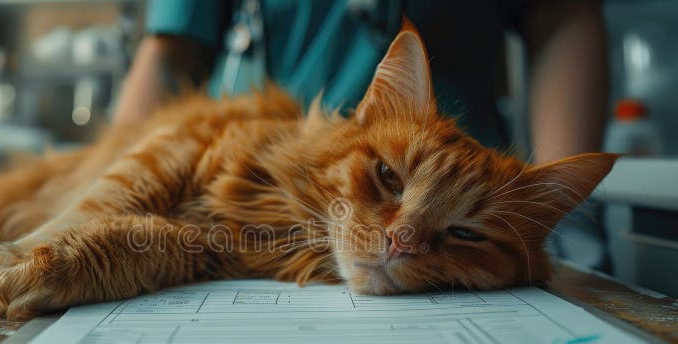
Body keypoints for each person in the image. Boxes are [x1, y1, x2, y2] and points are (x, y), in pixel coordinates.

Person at [114, 0, 610, 270]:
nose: (401, 241)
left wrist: (553, 221)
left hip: (483, 202)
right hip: (280, 176)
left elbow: (561, 15)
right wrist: (114, 177)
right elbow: (170, 49)